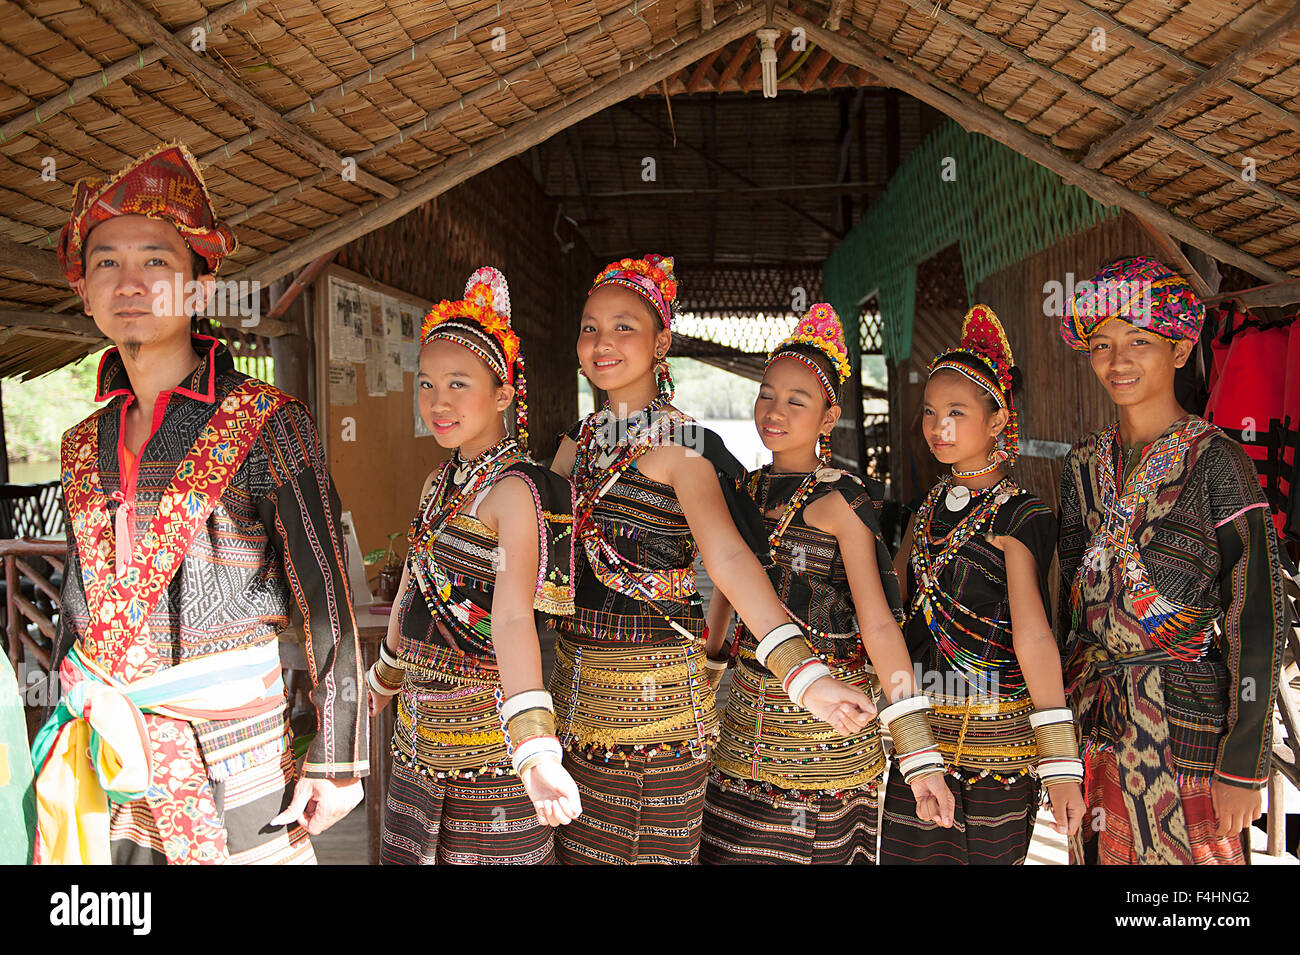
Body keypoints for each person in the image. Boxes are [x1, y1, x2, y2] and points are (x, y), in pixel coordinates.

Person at [30, 142, 366, 864]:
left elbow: (325, 598)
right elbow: (75, 597)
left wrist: (338, 757)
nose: (130, 282)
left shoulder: (271, 421)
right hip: (103, 746)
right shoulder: (81, 443)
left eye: (156, 259)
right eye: (105, 263)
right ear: (84, 292)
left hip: (229, 755)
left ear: (200, 287)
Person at [550, 254, 876, 864]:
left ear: (661, 341)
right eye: (590, 326)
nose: (602, 341)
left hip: (653, 717)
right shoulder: (578, 441)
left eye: (624, 326)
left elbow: (727, 556)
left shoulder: (684, 446)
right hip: (570, 702)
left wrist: (806, 677)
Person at [700, 303, 954, 864]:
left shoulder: (842, 499)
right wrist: (706, 668)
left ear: (828, 416)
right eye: (766, 393)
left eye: (797, 400)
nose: (774, 410)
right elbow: (728, 586)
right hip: (743, 726)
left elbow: (878, 622)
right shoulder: (742, 489)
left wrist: (917, 751)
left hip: (827, 737)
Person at [1057, 257, 1286, 865]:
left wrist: (1244, 761)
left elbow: (1257, 614)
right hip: (1097, 725)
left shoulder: (1220, 461)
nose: (1117, 361)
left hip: (1190, 726)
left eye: (1139, 341)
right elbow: (1072, 615)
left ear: (1182, 350)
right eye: (1101, 344)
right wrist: (1057, 746)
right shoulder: (1081, 467)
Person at [368, 266, 582, 864]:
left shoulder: (518, 492)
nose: (438, 402)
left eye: (459, 384)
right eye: (427, 384)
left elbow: (512, 620)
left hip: (491, 750)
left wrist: (536, 752)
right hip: (415, 744)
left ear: (505, 392)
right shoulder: (437, 483)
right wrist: (380, 681)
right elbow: (412, 586)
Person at [881, 304, 1085, 865]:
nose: (937, 427)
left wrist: (1062, 765)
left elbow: (1035, 639)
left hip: (995, 748)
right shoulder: (925, 512)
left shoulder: (1022, 515)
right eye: (928, 412)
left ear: (997, 421)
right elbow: (889, 604)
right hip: (920, 744)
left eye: (956, 411)